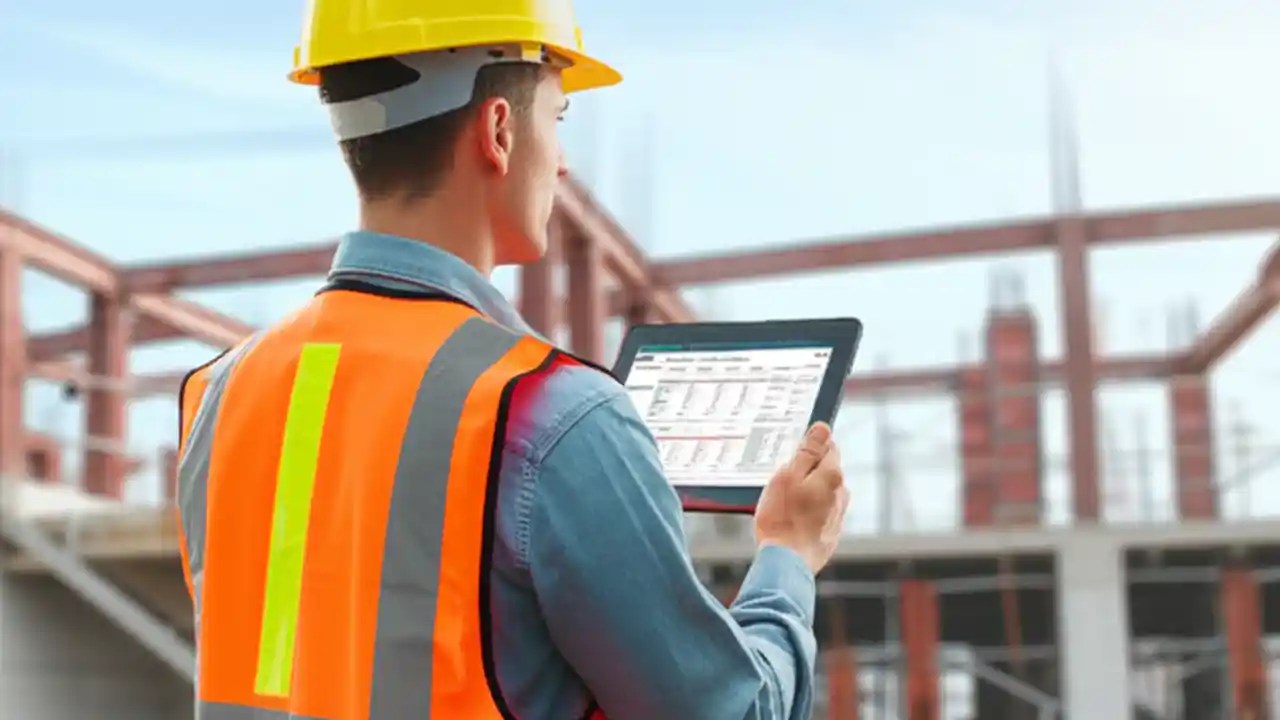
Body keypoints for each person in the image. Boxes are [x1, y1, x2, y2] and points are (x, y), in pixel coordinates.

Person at [173, 2, 852, 719]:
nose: (562, 162)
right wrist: (788, 555)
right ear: (499, 130)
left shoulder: (218, 392)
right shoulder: (550, 413)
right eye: (557, 119)